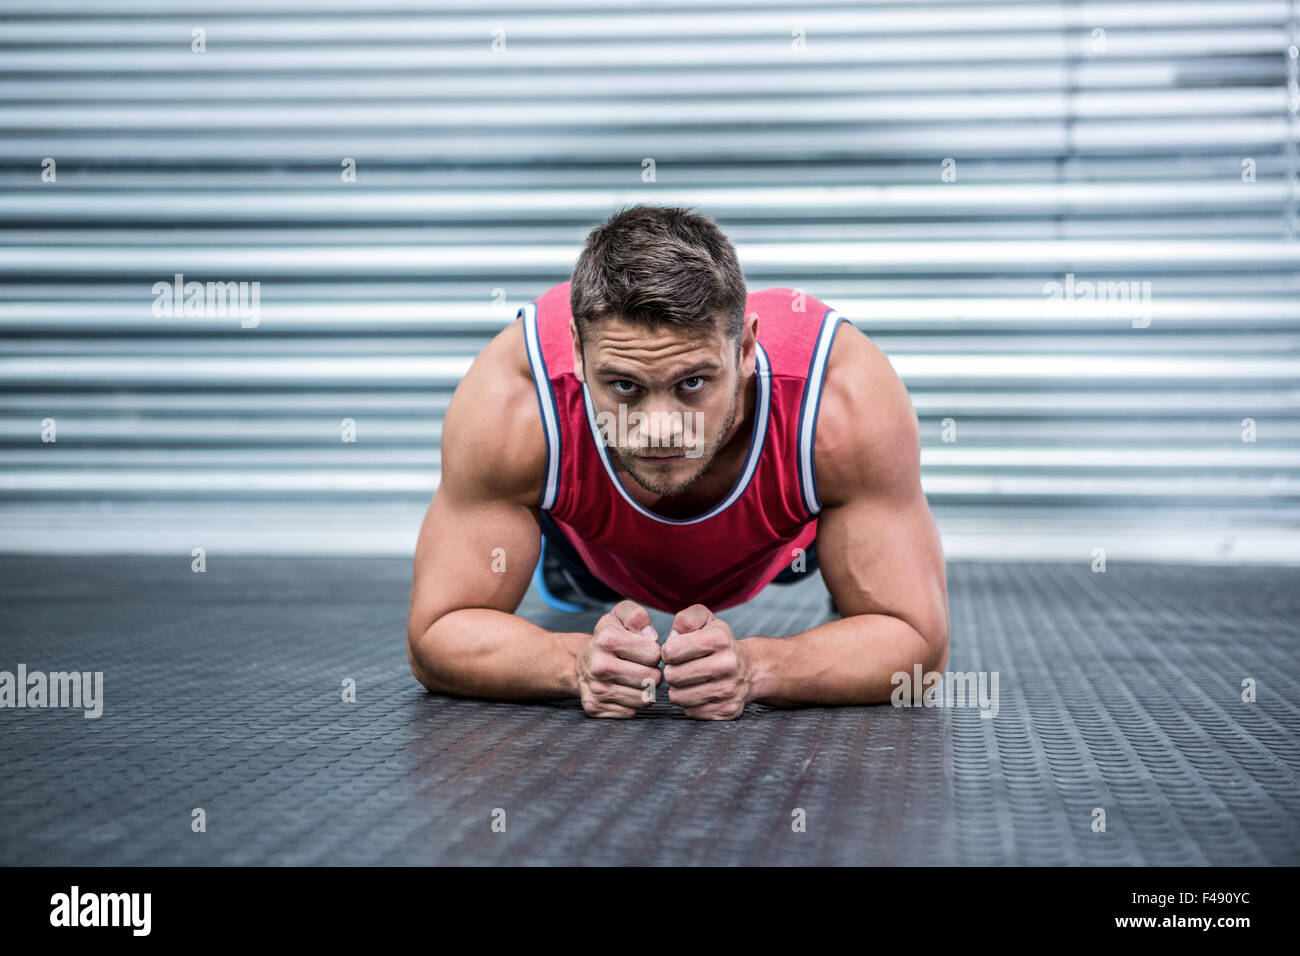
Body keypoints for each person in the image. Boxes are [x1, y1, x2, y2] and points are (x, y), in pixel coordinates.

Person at [407, 204, 949, 720]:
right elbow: (436, 635)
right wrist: (571, 663)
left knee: (836, 560)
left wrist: (759, 668)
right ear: (576, 352)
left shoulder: (838, 398)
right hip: (603, 552)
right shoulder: (517, 400)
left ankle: (824, 560)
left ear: (745, 351)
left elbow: (918, 647)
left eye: (692, 382)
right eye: (624, 385)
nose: (661, 427)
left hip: (773, 550)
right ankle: (568, 559)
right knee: (588, 574)